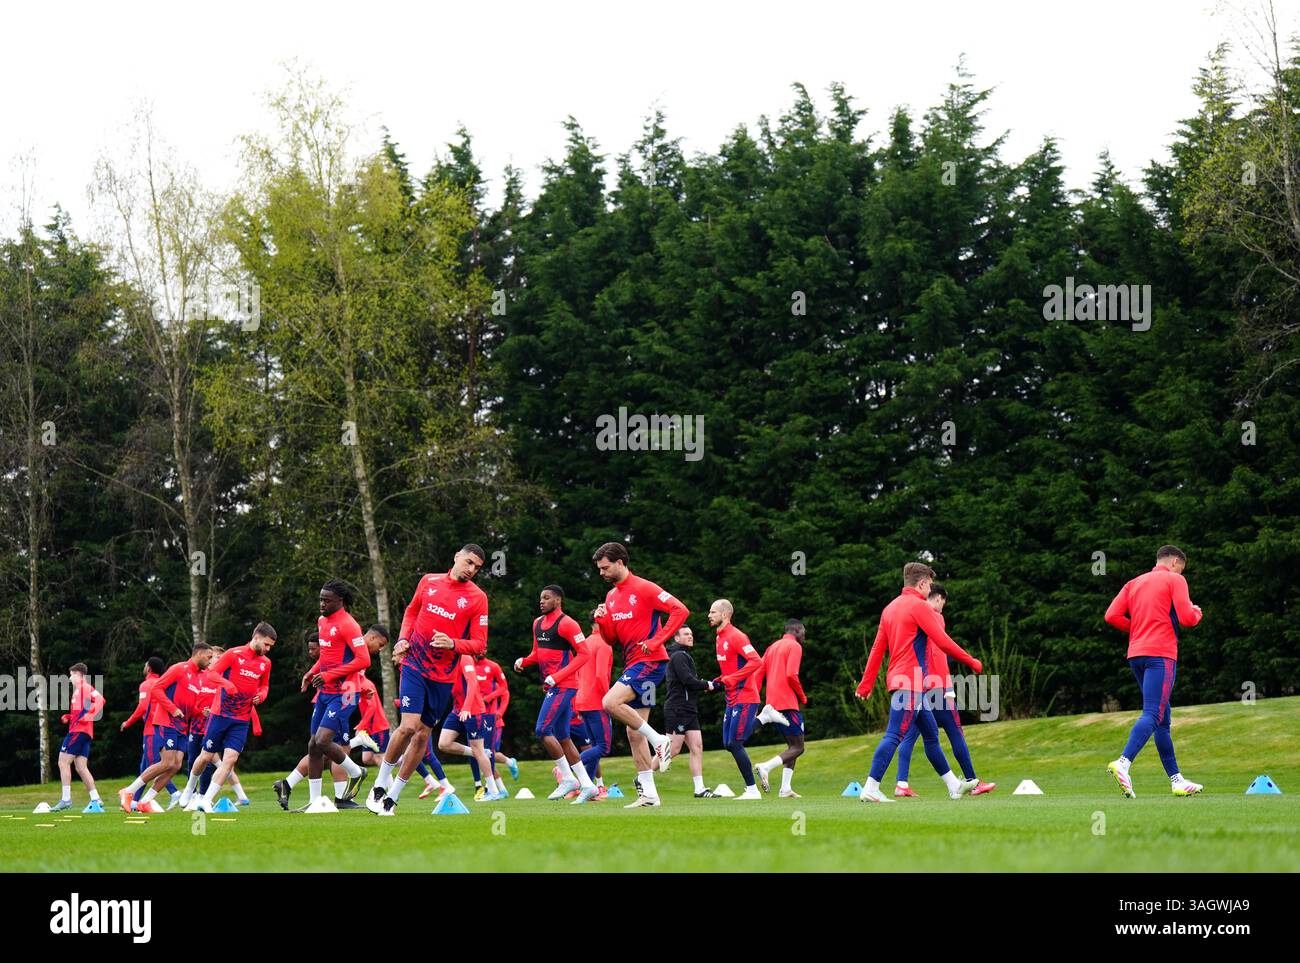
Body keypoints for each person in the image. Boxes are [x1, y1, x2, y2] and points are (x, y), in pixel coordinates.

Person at [366, 545, 489, 816]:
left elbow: (480, 644)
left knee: (423, 734)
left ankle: (393, 797)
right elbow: (411, 612)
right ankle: (379, 784)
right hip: (414, 665)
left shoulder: (478, 597)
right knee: (408, 726)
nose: (471, 570)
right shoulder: (429, 581)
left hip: (443, 677)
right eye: (469, 562)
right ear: (456, 556)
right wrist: (401, 640)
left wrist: (453, 643)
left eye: (477, 567)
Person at [854, 563, 983, 804]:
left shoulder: (889, 608)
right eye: (930, 585)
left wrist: (866, 684)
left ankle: (954, 786)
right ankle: (871, 787)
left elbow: (877, 648)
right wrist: (972, 662)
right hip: (910, 684)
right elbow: (943, 642)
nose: (930, 590)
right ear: (922, 583)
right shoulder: (919, 606)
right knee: (894, 734)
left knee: (932, 736)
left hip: (905, 683)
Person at [591, 542, 689, 808]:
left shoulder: (645, 588)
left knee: (610, 702)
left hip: (650, 662)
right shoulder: (611, 597)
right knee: (634, 732)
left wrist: (658, 640)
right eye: (599, 569)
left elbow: (681, 610)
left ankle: (660, 740)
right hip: (633, 663)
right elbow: (612, 640)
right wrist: (602, 621)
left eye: (605, 567)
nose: (601, 573)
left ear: (620, 562)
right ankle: (649, 795)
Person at [1104, 545, 1204, 797]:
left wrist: (1137, 629)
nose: (1181, 573)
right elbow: (1186, 618)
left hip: (1136, 654)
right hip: (1161, 654)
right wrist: (1197, 612)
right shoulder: (1175, 579)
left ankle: (1176, 780)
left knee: (1162, 718)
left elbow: (1111, 616)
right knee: (1152, 713)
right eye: (1181, 568)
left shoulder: (1134, 583)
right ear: (1173, 563)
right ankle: (1123, 763)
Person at [893, 585, 995, 797]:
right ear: (938, 598)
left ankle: (901, 783)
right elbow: (943, 649)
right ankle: (971, 781)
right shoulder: (935, 617)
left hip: (917, 685)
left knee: (911, 736)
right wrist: (969, 663)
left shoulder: (909, 616)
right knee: (955, 732)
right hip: (938, 686)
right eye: (943, 604)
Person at [514, 584, 598, 804]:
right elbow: (537, 653)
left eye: (547, 598)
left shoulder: (568, 623)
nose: (541, 601)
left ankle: (568, 779)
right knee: (562, 735)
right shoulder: (537, 624)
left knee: (542, 729)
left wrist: (557, 676)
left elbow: (584, 654)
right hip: (553, 685)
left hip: (565, 685)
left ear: (558, 600)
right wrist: (525, 660)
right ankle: (588, 785)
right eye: (540, 598)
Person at [180, 623, 276, 812]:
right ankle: (190, 788)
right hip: (220, 714)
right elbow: (211, 674)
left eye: (270, 647)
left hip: (241, 719)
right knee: (206, 756)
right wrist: (227, 684)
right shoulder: (233, 654)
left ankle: (206, 800)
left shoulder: (266, 663)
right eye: (266, 644)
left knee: (230, 760)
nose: (267, 649)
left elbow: (264, 686)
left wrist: (262, 695)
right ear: (255, 638)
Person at [118, 642, 214, 812]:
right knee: (167, 762)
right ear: (199, 654)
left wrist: (201, 712)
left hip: (182, 727)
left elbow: (191, 706)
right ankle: (128, 791)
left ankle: (145, 801)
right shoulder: (179, 668)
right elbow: (156, 689)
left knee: (176, 765)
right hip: (166, 722)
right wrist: (173, 709)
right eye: (209, 657)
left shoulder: (200, 677)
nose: (210, 661)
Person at [710, 599, 786, 800]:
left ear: (725, 614)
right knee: (728, 743)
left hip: (746, 695)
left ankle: (752, 790)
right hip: (732, 697)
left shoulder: (736, 636)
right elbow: (729, 670)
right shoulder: (719, 638)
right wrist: (717, 681)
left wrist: (731, 679)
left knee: (735, 742)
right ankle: (764, 718)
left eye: (713, 612)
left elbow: (756, 661)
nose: (709, 615)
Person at [655, 626, 717, 797]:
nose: (690, 636)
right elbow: (688, 680)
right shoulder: (678, 656)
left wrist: (702, 684)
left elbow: (690, 682)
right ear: (676, 638)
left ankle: (700, 789)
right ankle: (643, 777)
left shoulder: (684, 655)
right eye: (686, 634)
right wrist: (706, 684)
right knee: (673, 749)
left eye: (691, 633)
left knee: (697, 747)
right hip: (678, 708)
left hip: (689, 709)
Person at [754, 620, 809, 798]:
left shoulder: (772, 647)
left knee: (791, 746)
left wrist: (755, 702)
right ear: (798, 631)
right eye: (804, 632)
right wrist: (802, 696)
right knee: (799, 747)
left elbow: (758, 674)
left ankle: (785, 789)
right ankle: (766, 767)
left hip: (772, 703)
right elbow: (792, 674)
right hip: (787, 703)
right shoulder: (794, 646)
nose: (805, 636)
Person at [119, 657, 179, 806]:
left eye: (146, 664)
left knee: (152, 765)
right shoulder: (164, 682)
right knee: (144, 766)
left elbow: (142, 707)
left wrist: (128, 722)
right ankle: (133, 802)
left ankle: (175, 793)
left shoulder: (146, 684)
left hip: (153, 730)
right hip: (165, 728)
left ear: (149, 668)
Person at [52, 663, 104, 812]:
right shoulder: (78, 691)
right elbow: (80, 712)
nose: (69, 678)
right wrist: (69, 716)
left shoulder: (84, 687)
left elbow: (100, 700)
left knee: (63, 762)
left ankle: (66, 800)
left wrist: (89, 715)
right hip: (84, 732)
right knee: (81, 767)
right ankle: (96, 799)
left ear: (78, 674)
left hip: (78, 731)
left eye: (71, 675)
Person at [574, 628, 613, 797]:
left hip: (582, 700)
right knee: (603, 747)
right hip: (598, 701)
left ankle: (589, 790)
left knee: (595, 746)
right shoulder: (604, 643)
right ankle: (566, 770)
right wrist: (610, 698)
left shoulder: (584, 643)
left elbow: (576, 674)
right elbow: (601, 675)